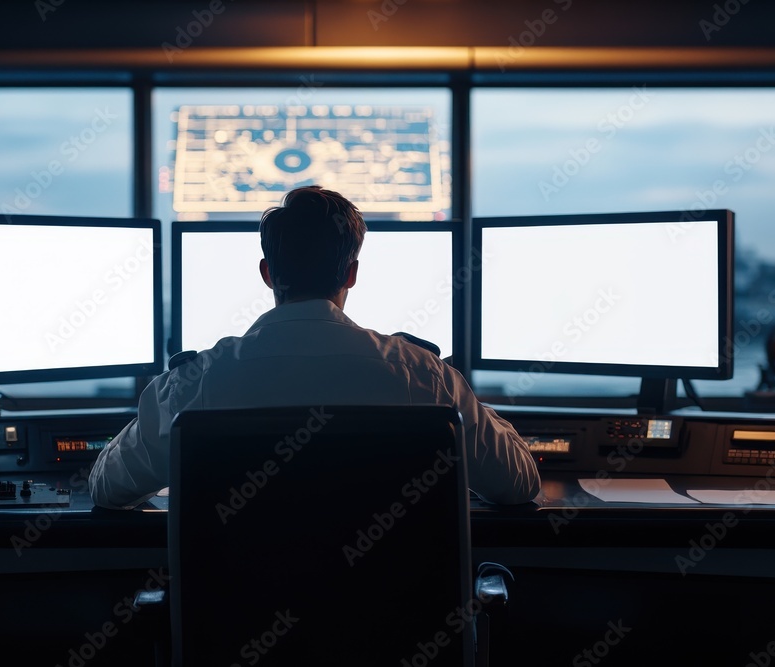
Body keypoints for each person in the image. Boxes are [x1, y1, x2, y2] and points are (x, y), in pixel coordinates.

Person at [89, 185, 541, 509]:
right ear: (351, 275)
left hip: (234, 633)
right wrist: (450, 383)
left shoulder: (192, 385)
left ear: (267, 273)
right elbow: (519, 483)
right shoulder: (422, 375)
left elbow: (106, 489)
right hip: (392, 634)